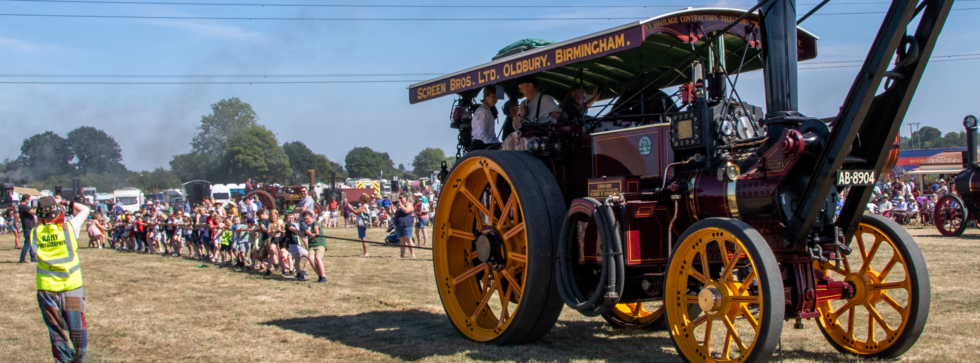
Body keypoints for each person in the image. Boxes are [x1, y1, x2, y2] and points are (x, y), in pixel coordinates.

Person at [31, 195, 91, 363]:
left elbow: (40, 222)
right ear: (58, 212)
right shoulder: (70, 228)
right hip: (72, 287)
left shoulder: (35, 232)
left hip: (46, 288)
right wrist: (63, 202)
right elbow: (85, 209)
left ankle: (62, 360)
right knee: (77, 329)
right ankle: (78, 358)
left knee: (56, 330)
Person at [502, 75, 562, 151]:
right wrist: (520, 116)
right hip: (525, 147)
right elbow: (516, 126)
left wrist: (558, 115)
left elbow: (562, 119)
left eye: (521, 87)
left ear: (530, 85)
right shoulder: (523, 103)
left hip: (542, 147)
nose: (520, 91)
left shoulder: (545, 100)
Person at [471, 86, 502, 150]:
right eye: (493, 96)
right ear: (486, 97)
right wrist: (495, 144)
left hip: (485, 144)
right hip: (482, 146)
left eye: (496, 97)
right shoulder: (484, 112)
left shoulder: (486, 110)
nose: (496, 99)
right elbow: (482, 135)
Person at [302, 211, 328, 283]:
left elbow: (316, 228)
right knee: (310, 258)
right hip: (311, 245)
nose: (306, 220)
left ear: (312, 217)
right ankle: (320, 276)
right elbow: (306, 231)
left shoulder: (315, 223)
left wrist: (316, 233)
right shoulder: (305, 227)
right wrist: (311, 234)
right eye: (304, 219)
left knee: (318, 258)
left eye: (307, 218)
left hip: (320, 244)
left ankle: (323, 277)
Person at [284, 213, 310, 281]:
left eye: (292, 218)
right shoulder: (288, 225)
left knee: (310, 256)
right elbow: (293, 229)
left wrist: (307, 234)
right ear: (286, 219)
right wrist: (302, 233)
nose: (291, 219)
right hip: (291, 244)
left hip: (296, 244)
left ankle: (303, 272)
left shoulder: (294, 225)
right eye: (289, 218)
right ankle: (298, 275)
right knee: (297, 258)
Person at [394, 193, 416, 258]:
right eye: (399, 198)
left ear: (405, 197)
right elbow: (395, 213)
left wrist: (401, 205)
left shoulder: (409, 204)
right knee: (401, 240)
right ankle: (402, 255)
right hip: (399, 224)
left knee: (408, 239)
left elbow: (406, 211)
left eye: (401, 197)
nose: (400, 199)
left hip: (407, 224)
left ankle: (412, 254)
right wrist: (393, 207)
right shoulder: (399, 205)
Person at [19, 195, 37, 263]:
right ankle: (22, 258)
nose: (29, 201)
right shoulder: (23, 206)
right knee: (27, 243)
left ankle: (33, 258)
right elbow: (33, 212)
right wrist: (35, 207)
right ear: (26, 199)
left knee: (31, 243)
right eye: (29, 199)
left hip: (30, 226)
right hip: (28, 227)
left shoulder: (23, 206)